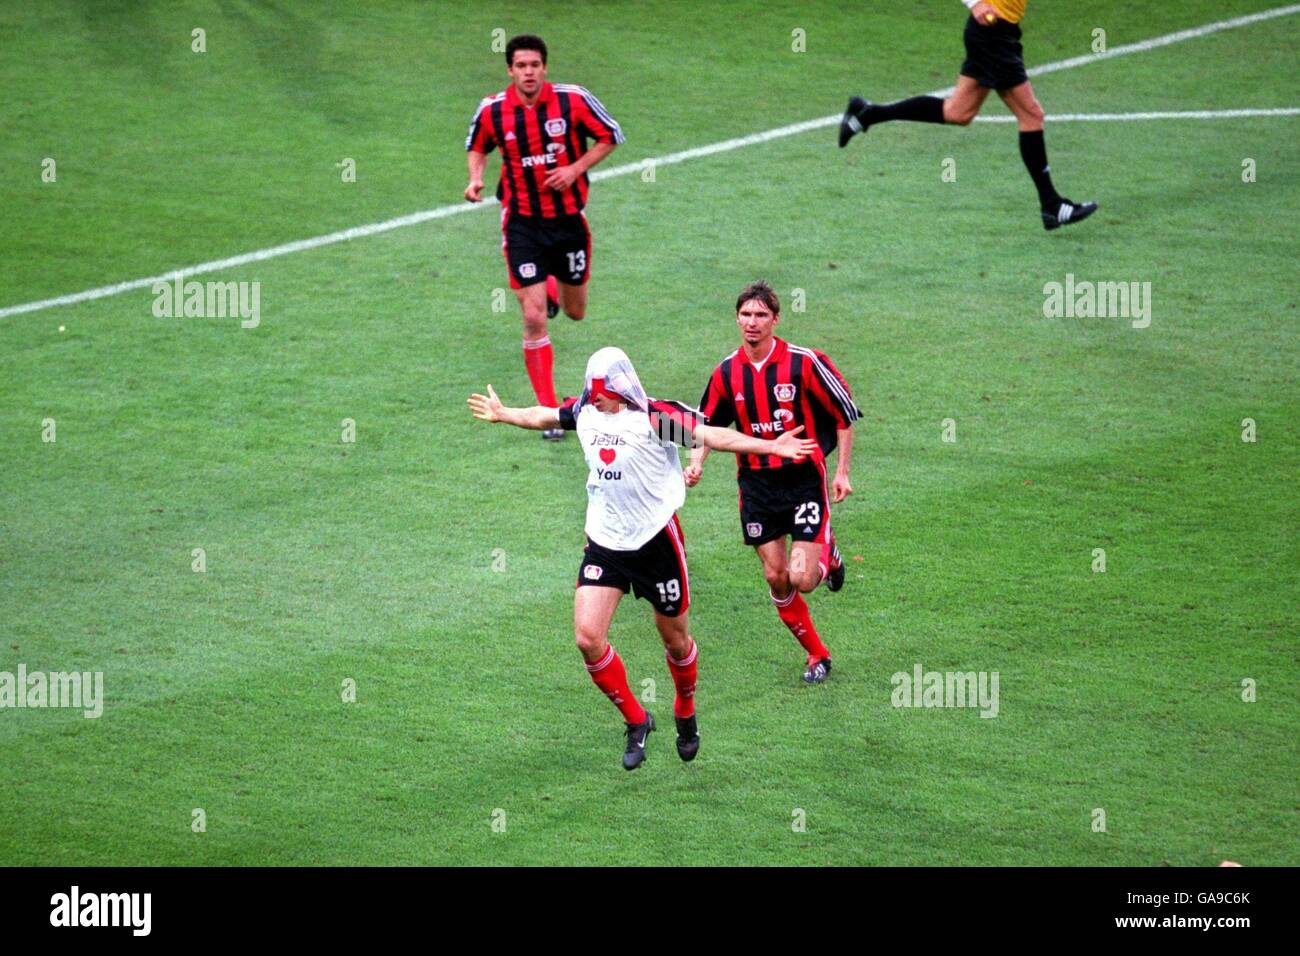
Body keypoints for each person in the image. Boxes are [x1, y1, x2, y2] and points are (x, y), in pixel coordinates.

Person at [468, 347, 819, 769]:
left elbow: (714, 436)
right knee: (586, 638)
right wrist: (504, 413)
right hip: (605, 543)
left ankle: (685, 709)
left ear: (619, 388)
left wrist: (772, 447)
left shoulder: (655, 419)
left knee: (675, 640)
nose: (592, 396)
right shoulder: (586, 412)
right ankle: (637, 720)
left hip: (657, 544)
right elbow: (544, 416)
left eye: (600, 390)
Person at [685, 282, 860, 685]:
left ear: (775, 320)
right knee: (775, 577)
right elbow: (705, 426)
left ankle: (827, 553)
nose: (752, 322)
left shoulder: (804, 363)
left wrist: (843, 471)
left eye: (761, 315)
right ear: (736, 319)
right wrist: (696, 463)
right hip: (757, 488)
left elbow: (844, 415)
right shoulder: (727, 372)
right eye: (746, 315)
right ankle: (817, 653)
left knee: (802, 579)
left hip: (802, 481)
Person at [464, 34, 624, 440]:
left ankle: (552, 289)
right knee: (533, 318)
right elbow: (478, 146)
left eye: (535, 65)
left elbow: (611, 135)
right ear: (510, 70)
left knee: (576, 313)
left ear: (544, 67)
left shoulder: (572, 100)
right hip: (521, 225)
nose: (529, 72)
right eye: (521, 66)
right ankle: (550, 411)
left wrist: (574, 169)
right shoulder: (493, 110)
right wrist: (476, 178)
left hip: (568, 223)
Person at [837, 0, 1097, 231]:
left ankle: (867, 114)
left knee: (958, 112)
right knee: (1031, 115)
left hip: (999, 31)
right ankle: (1051, 205)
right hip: (990, 31)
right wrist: (974, 3)